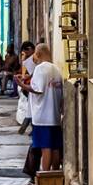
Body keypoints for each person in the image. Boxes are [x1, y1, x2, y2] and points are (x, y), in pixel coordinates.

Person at [28, 43, 64, 173]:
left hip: (42, 117)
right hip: (55, 116)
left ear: (38, 54)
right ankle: (55, 174)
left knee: (45, 148)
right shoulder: (57, 70)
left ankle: (45, 176)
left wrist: (22, 85)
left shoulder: (40, 69)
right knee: (55, 148)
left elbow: (37, 90)